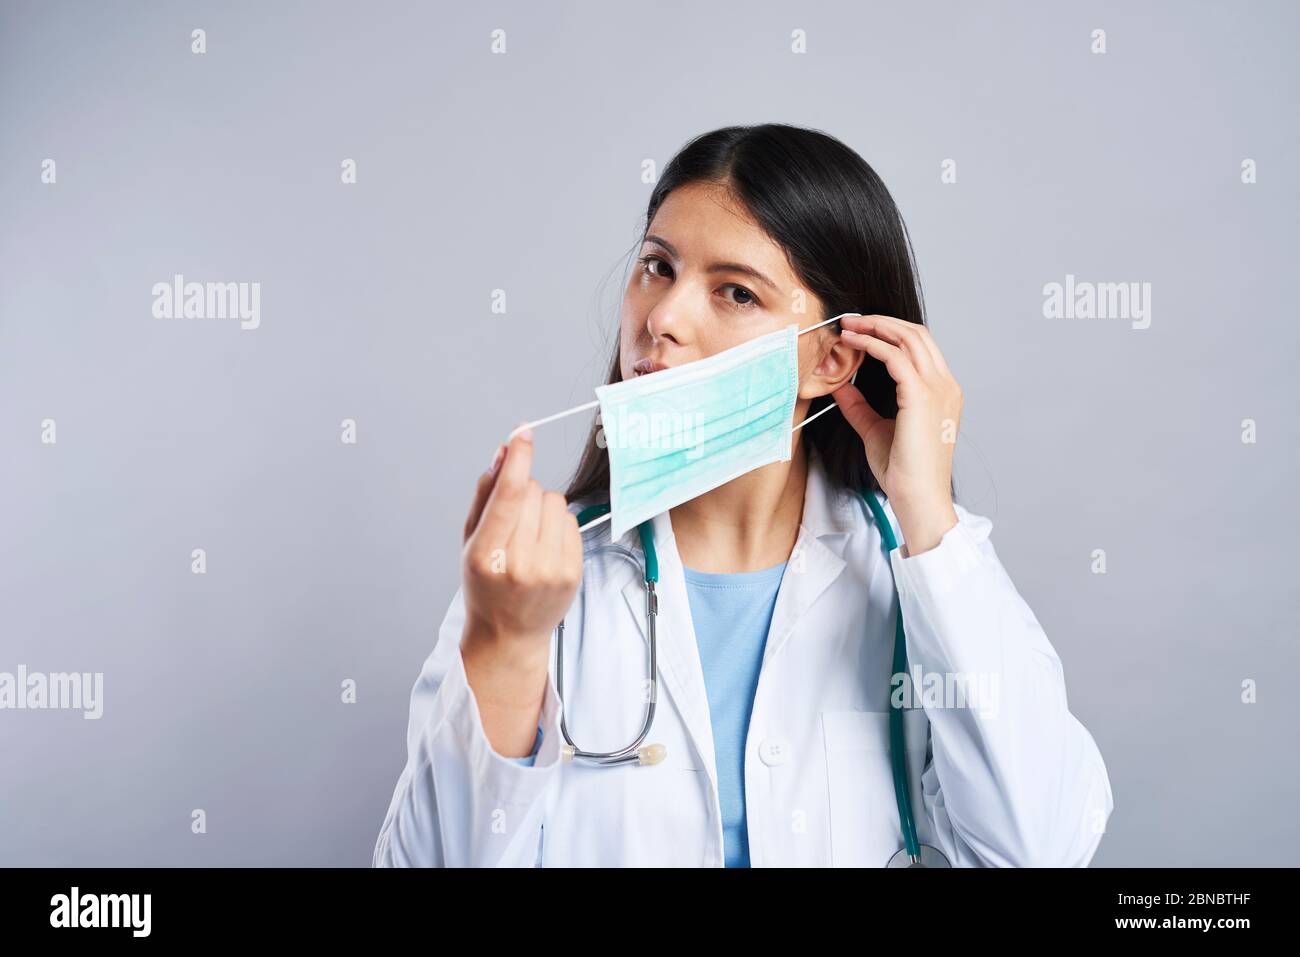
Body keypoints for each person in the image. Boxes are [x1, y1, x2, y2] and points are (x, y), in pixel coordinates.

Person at [373, 124, 1114, 867]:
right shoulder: (535, 588)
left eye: (735, 292)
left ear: (832, 358)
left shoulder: (916, 570)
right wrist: (504, 645)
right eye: (657, 268)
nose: (662, 318)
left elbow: (1038, 849)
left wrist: (928, 517)